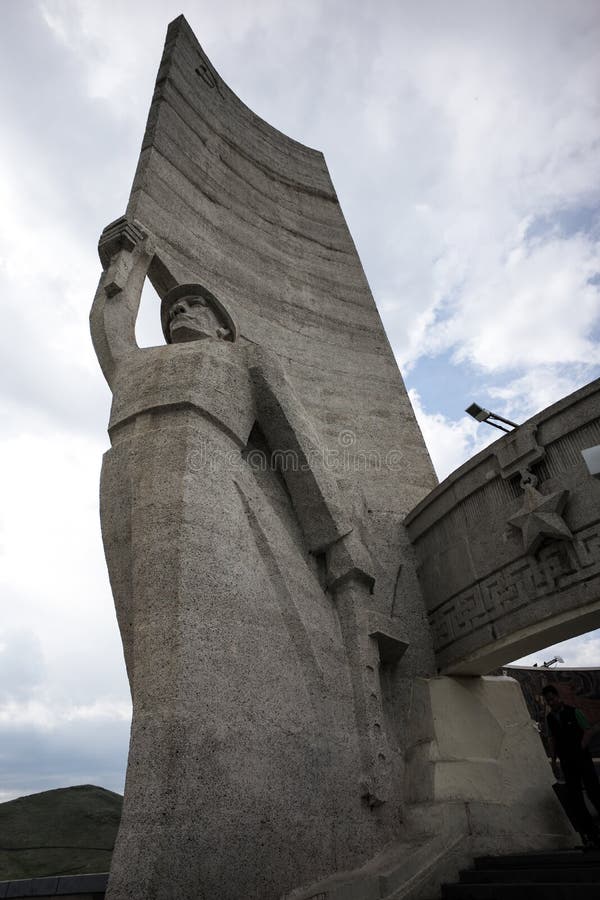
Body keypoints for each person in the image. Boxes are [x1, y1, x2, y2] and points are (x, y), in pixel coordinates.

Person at [543, 684, 600, 846]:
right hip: (567, 761)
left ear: (558, 697)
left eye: (552, 699)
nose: (551, 703)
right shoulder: (550, 719)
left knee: (593, 790)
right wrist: (554, 760)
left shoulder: (573, 712)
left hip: (581, 758)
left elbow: (588, 730)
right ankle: (589, 833)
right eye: (548, 701)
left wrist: (581, 747)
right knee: (575, 796)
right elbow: (552, 739)